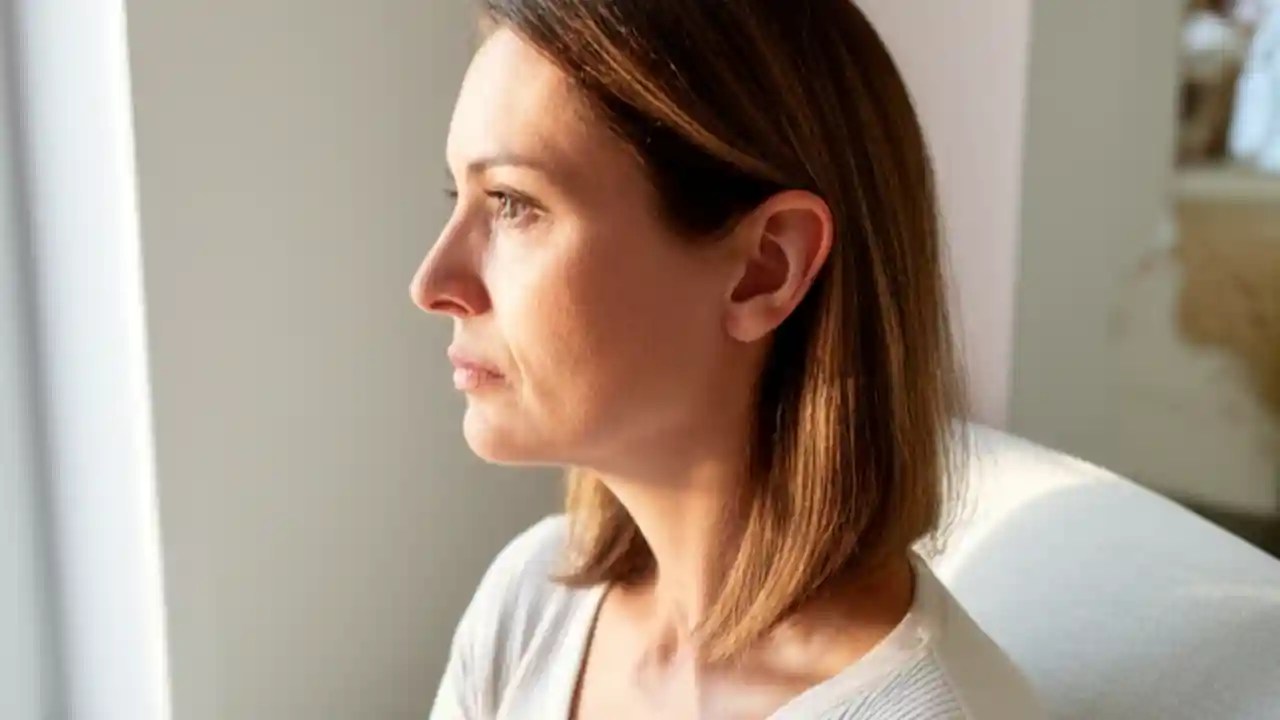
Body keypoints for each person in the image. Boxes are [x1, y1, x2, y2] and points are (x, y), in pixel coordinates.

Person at [411, 0, 1045, 717]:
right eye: (458, 194)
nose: (433, 283)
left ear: (766, 268)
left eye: (512, 203)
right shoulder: (532, 602)